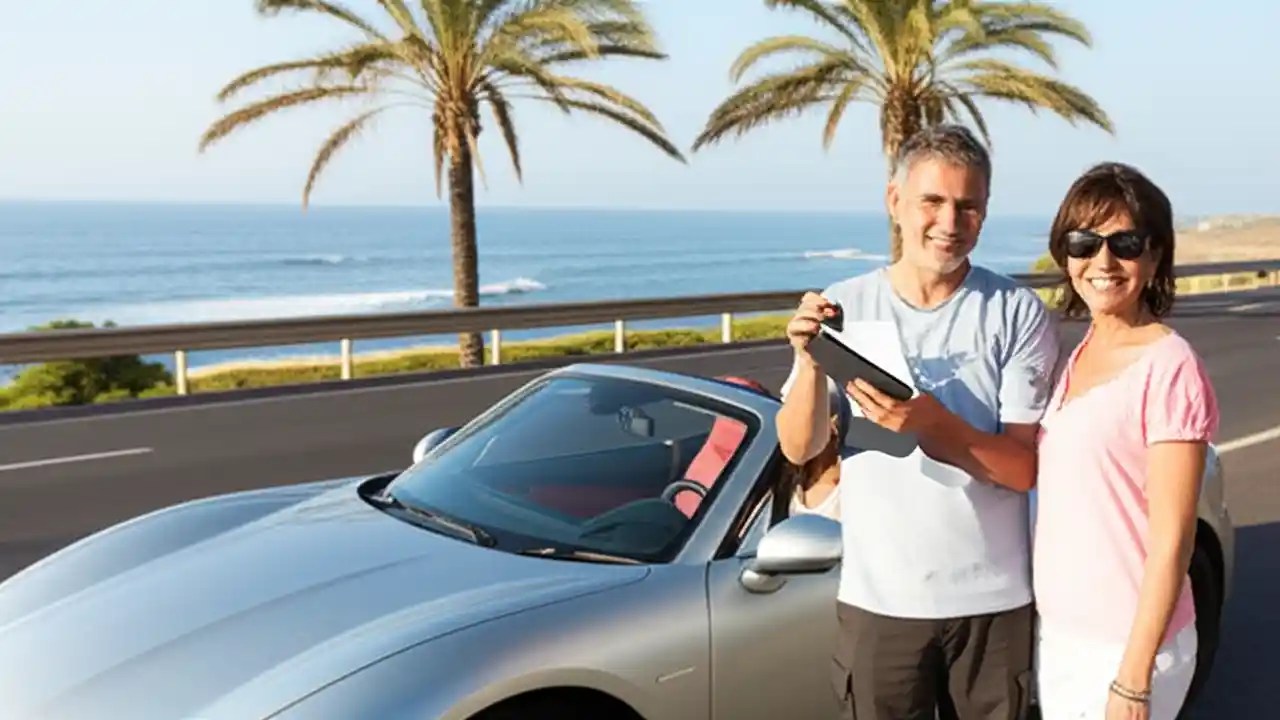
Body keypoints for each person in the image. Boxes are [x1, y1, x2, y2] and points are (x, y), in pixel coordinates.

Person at [778, 124, 1061, 720]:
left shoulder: (1017, 313)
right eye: (932, 201)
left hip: (993, 604)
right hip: (879, 603)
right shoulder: (843, 304)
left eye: (968, 206)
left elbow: (1021, 469)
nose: (950, 222)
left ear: (984, 212)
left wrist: (932, 425)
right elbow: (800, 447)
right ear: (895, 200)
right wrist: (807, 362)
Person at [1031, 162, 1218, 720]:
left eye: (1126, 243)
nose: (1103, 261)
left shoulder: (1170, 366)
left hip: (1129, 651)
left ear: (1154, 256)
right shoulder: (1079, 352)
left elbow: (1173, 540)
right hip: (1065, 640)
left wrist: (1134, 678)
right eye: (1084, 243)